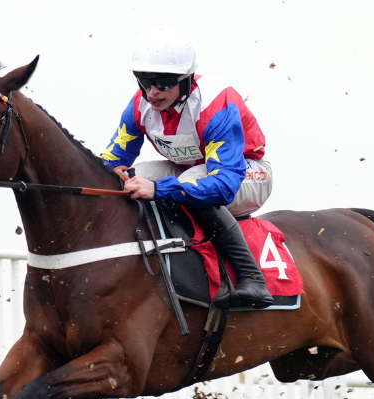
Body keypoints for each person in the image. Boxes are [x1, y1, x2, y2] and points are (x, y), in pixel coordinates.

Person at [99, 28, 274, 309]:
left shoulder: (216, 104)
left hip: (246, 173)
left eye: (163, 82)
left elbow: (223, 185)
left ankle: (253, 278)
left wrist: (157, 189)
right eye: (144, 80)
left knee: (189, 181)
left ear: (186, 80)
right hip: (191, 170)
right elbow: (112, 161)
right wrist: (114, 173)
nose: (152, 91)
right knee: (131, 178)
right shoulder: (138, 105)